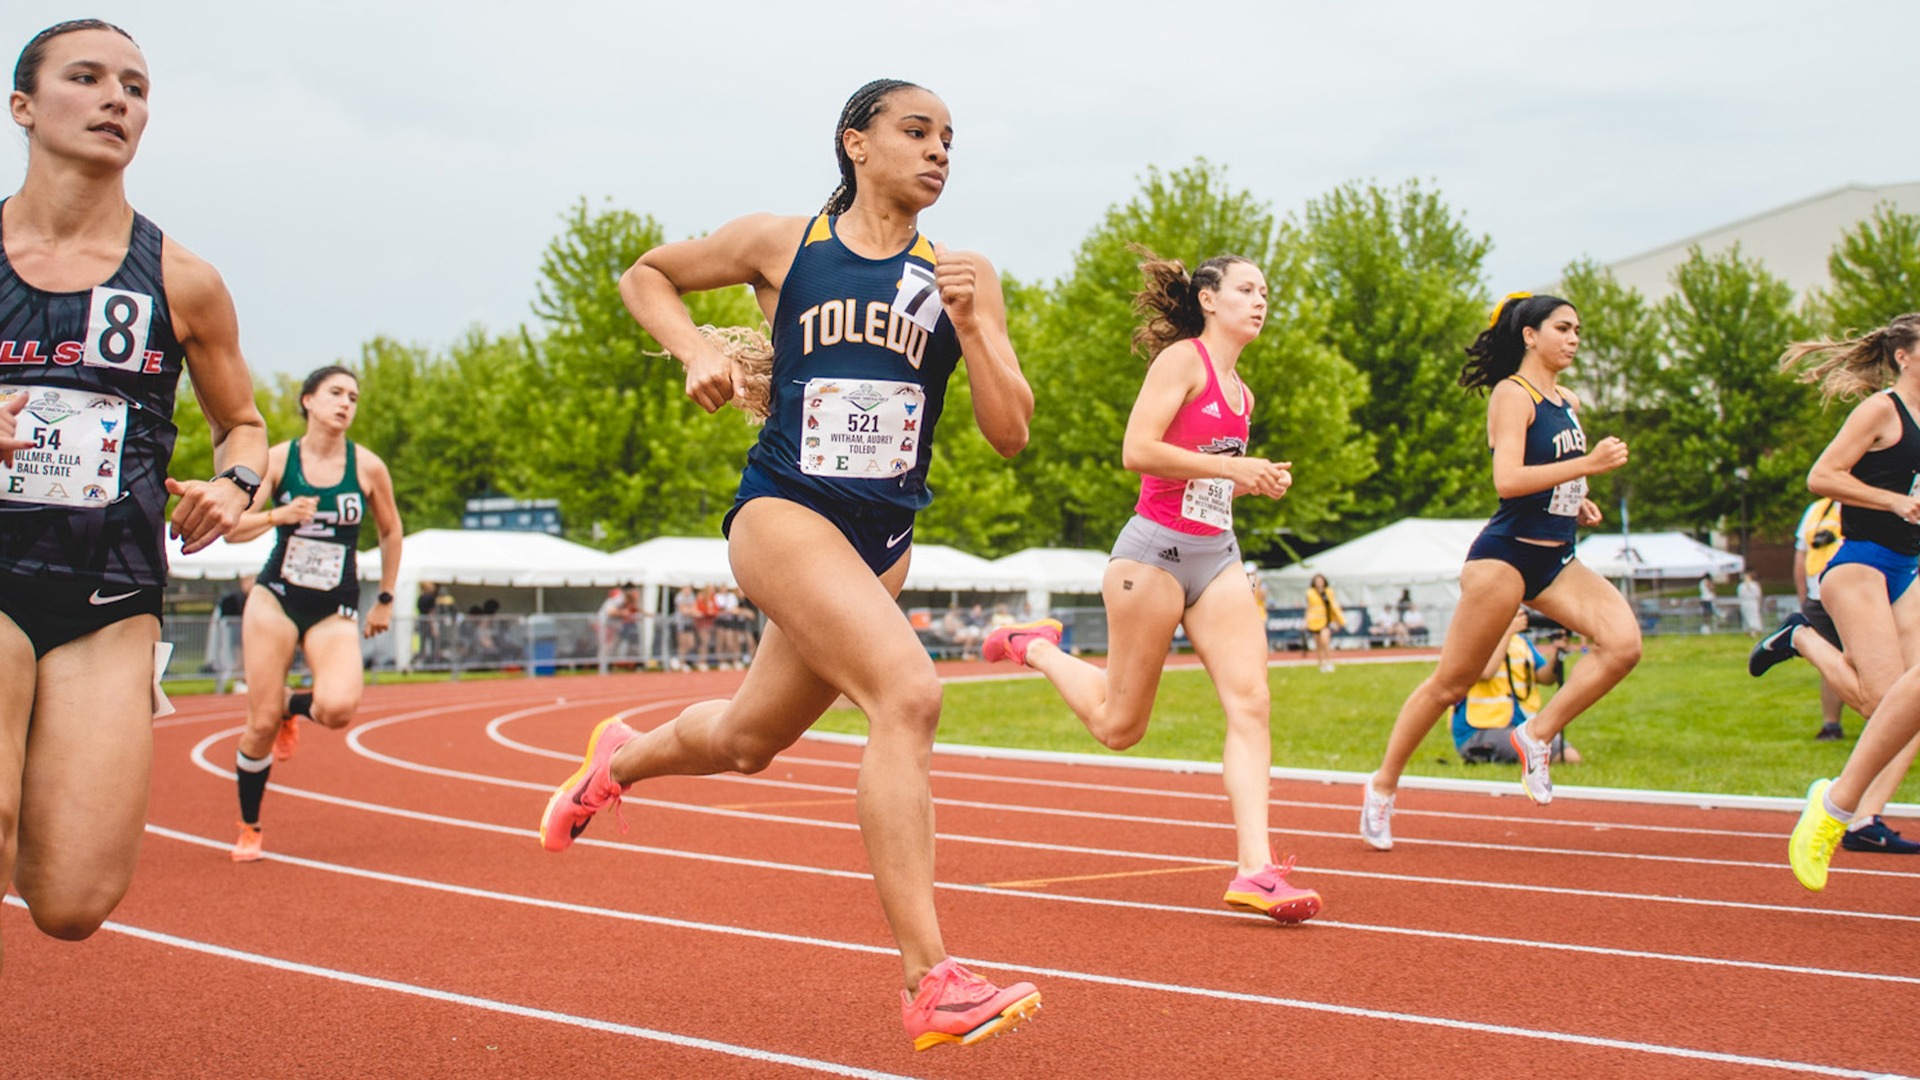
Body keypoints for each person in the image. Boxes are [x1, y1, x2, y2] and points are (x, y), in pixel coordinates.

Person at [537, 80, 1041, 1050]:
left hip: (880, 545)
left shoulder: (963, 273)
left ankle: (617, 763)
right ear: (857, 143)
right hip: (783, 513)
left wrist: (975, 329)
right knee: (908, 692)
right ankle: (929, 978)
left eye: (951, 139)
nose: (940, 151)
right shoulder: (784, 244)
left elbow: (1009, 432)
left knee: (744, 741)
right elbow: (646, 274)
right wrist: (690, 349)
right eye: (916, 131)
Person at [0, 19, 267, 966]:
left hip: (108, 599)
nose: (119, 98)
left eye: (137, 86)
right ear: (25, 107)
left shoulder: (184, 280)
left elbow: (243, 428)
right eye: (88, 77)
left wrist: (235, 487)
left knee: (72, 899)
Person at [978, 250, 1319, 924]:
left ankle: (1255, 867)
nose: (1261, 300)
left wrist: (1253, 477)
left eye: (1266, 291)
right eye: (1247, 289)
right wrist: (1236, 470)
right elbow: (1138, 450)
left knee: (1252, 701)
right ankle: (1037, 647)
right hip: (1153, 558)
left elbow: (1210, 478)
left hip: (1216, 557)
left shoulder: (1241, 390)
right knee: (1118, 726)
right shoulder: (1183, 362)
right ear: (1210, 299)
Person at [1360, 293, 1640, 850]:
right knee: (1451, 683)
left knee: (1624, 645)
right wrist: (1588, 465)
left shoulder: (1569, 400)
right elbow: (1508, 480)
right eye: (1563, 327)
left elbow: (1550, 473)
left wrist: (1575, 495)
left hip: (1557, 556)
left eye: (1578, 329)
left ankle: (1536, 733)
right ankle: (1382, 787)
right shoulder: (1514, 395)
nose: (1575, 338)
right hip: (1505, 557)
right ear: (1530, 335)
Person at [1758, 315, 1920, 887]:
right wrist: (1892, 501)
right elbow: (1822, 476)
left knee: (1910, 706)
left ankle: (1857, 811)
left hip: (1908, 569)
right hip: (1860, 565)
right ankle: (1799, 635)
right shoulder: (1882, 410)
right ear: (1904, 355)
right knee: (1883, 705)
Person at [222, 365, 402, 862]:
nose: (346, 403)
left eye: (354, 397)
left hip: (333, 604)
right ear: (308, 401)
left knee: (338, 709)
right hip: (276, 597)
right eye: (336, 393)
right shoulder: (279, 460)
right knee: (258, 725)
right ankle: (250, 826)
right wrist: (278, 514)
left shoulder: (367, 467)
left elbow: (390, 532)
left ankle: (290, 707)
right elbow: (230, 526)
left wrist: (385, 597)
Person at [1450, 608, 1578, 765]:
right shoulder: (1474, 638)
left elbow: (1545, 677)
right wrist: (1506, 632)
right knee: (1544, 755)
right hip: (1479, 729)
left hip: (1520, 725)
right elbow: (1485, 672)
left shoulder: (1521, 643)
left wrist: (1557, 654)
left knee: (1569, 756)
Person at [1793, 496, 1849, 740]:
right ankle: (1831, 725)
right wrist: (1804, 600)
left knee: (1868, 662)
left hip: (1856, 595)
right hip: (1819, 599)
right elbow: (1801, 556)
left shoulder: (1873, 501)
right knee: (1831, 664)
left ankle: (1797, 636)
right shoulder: (1816, 510)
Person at [208, 572, 254, 693]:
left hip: (253, 637)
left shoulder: (257, 598)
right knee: (238, 660)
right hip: (236, 637)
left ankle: (251, 682)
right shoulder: (233, 599)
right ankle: (239, 682)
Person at [1304, 573, 1345, 672]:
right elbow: (1309, 608)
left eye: (1320, 581)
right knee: (1318, 644)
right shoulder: (1310, 593)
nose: (1319, 583)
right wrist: (1306, 621)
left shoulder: (1329, 592)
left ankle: (1329, 662)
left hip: (1325, 621)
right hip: (1314, 622)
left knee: (1325, 641)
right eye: (1317, 581)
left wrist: (1338, 621)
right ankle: (1321, 663)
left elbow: (1333, 607)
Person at [1737, 571, 1763, 637]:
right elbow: (1740, 595)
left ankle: (1754, 630)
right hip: (1745, 602)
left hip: (1753, 602)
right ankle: (1747, 630)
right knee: (1746, 616)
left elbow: (1758, 594)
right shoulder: (1741, 586)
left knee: (1754, 616)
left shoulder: (1754, 585)